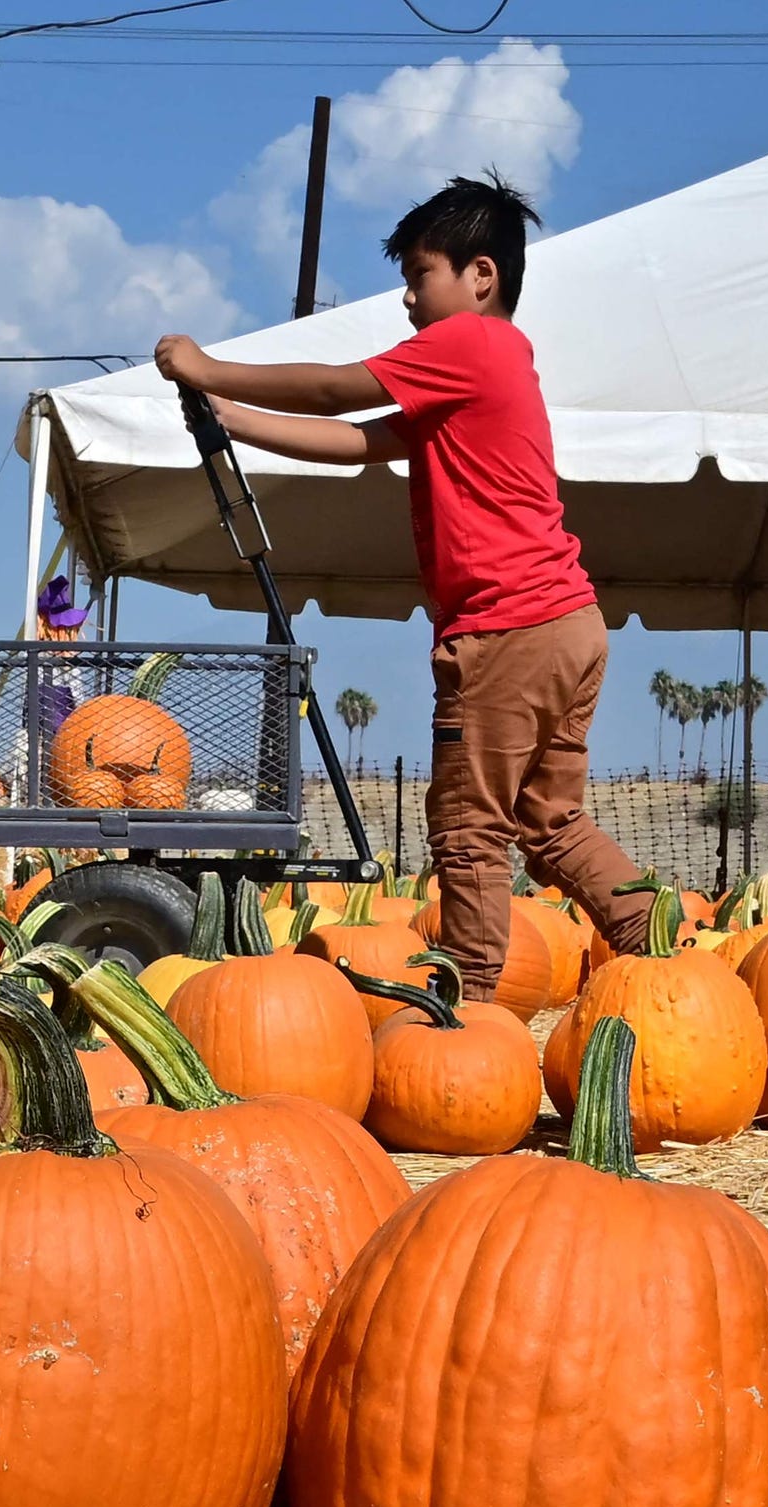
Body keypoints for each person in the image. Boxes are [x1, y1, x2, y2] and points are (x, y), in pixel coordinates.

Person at [154, 173, 650, 1002]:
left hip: (505, 628)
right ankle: (658, 945)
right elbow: (357, 440)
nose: (408, 300)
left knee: (468, 831)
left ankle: (473, 1010)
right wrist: (226, 415)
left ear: (480, 277)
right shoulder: (489, 368)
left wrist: (210, 364)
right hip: (568, 619)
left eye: (420, 277)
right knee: (550, 822)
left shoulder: (469, 344)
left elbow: (335, 387)